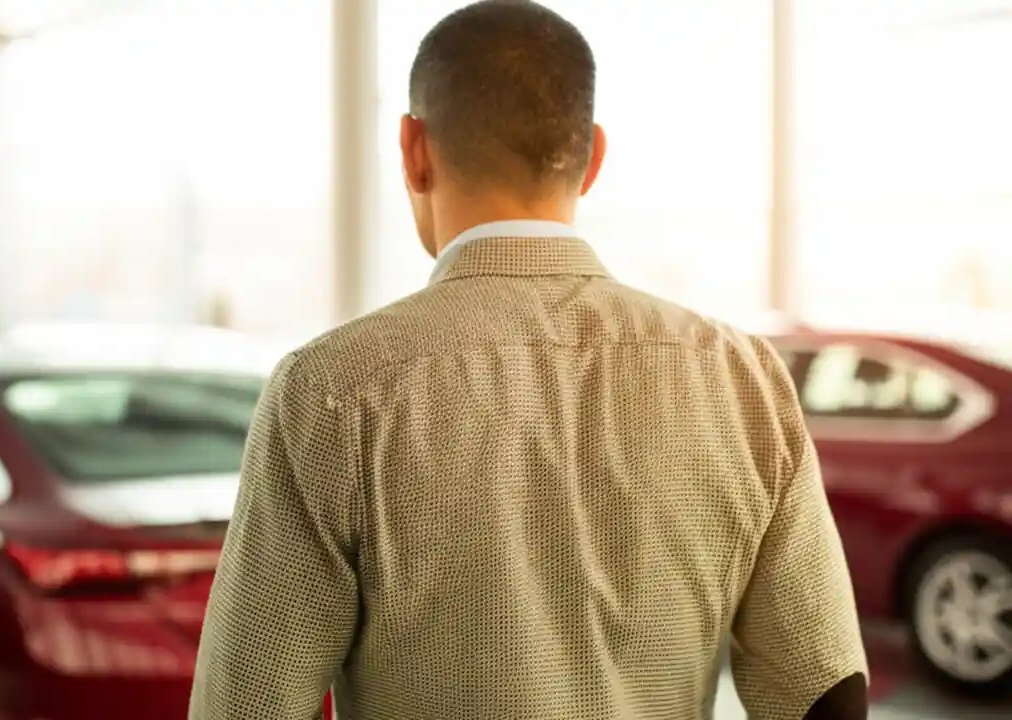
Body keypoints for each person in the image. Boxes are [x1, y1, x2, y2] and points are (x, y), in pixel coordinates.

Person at [189, 1, 868, 718]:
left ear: (414, 150)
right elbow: (825, 693)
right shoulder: (743, 380)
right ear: (592, 158)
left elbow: (245, 706)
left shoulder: (333, 393)